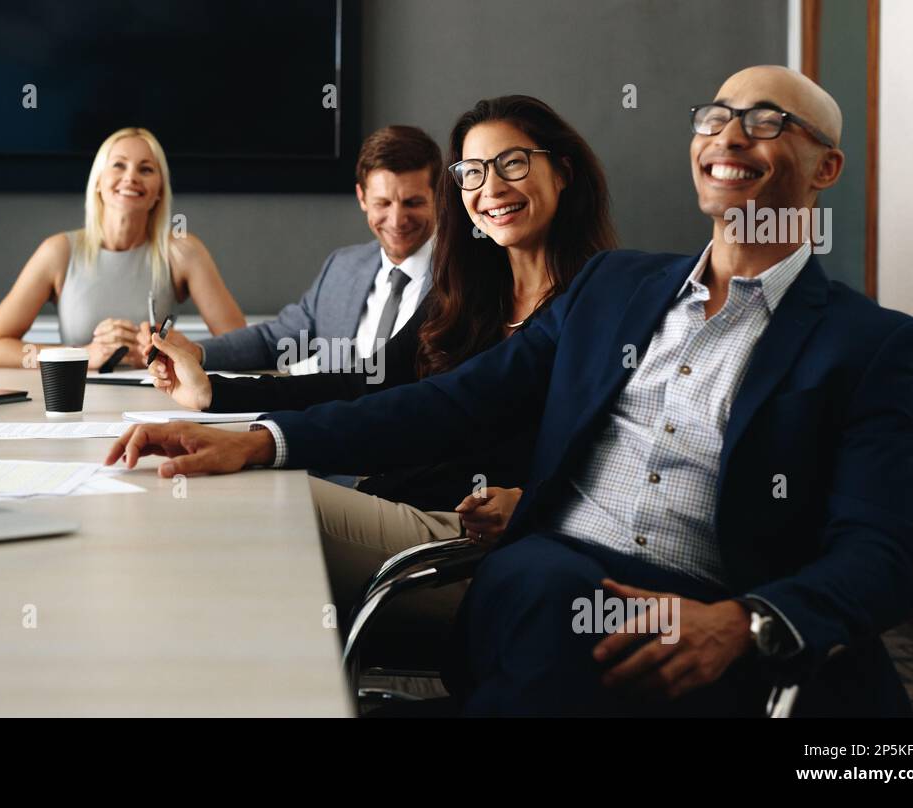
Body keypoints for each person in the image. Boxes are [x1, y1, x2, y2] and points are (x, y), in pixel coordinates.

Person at [104, 66, 913, 717]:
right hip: (547, 577)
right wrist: (258, 439)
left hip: (697, 613)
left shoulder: (870, 344)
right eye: (714, 117)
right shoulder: (616, 288)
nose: (729, 135)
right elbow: (447, 402)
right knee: (545, 590)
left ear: (826, 165)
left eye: (766, 122)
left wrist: (743, 619)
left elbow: (882, 551)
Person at [143, 96, 616, 633]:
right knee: (216, 498)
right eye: (473, 172)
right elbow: (363, 381)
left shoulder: (599, 301)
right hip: (396, 504)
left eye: (513, 163)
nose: (492, 188)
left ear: (564, 173)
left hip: (469, 542)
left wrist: (534, 503)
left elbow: (618, 454)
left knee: (239, 500)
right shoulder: (466, 297)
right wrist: (217, 395)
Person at [138, 126, 443, 371]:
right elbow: (274, 340)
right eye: (383, 203)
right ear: (362, 198)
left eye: (413, 202)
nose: (397, 219)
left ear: (439, 197)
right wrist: (198, 352)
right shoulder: (343, 267)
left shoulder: (464, 276)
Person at [0, 128, 245, 370]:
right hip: (80, 405)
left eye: (146, 169)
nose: (131, 177)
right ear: (98, 181)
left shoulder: (184, 252)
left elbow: (241, 348)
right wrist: (82, 355)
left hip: (158, 403)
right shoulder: (57, 252)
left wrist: (176, 353)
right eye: (119, 165)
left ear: (159, 192)